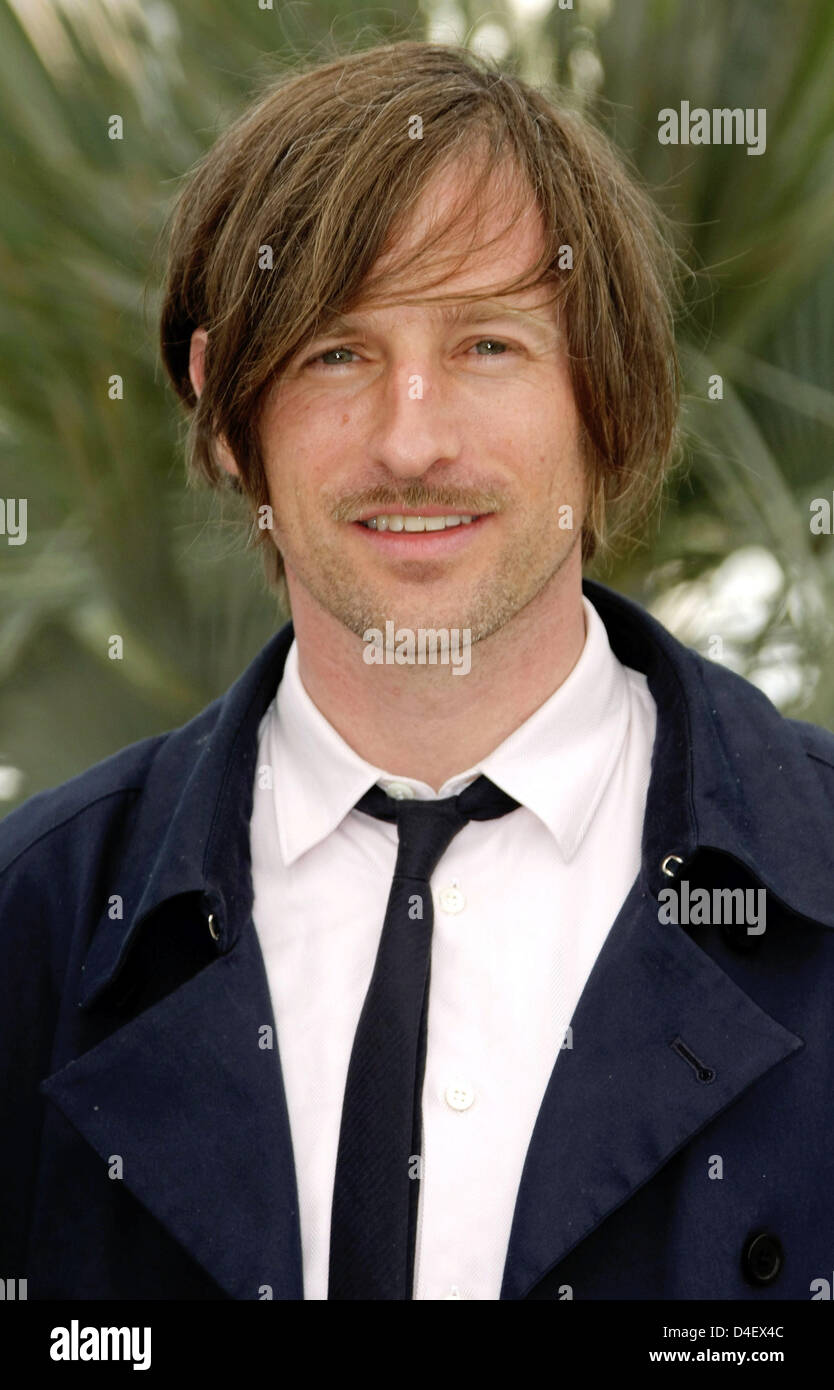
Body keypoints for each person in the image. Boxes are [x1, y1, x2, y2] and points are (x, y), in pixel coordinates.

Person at [1, 39, 833, 1304]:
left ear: (602, 390)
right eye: (336, 353)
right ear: (226, 409)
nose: (411, 439)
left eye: (489, 345)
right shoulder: (35, 924)